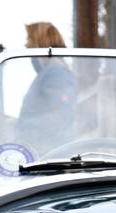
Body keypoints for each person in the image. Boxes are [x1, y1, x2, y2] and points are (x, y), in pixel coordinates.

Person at [18, 22, 77, 154]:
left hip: (50, 155)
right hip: (44, 151)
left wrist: (23, 126)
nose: (26, 45)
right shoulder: (49, 72)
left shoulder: (56, 72)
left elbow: (63, 117)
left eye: (29, 39)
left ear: (40, 42)